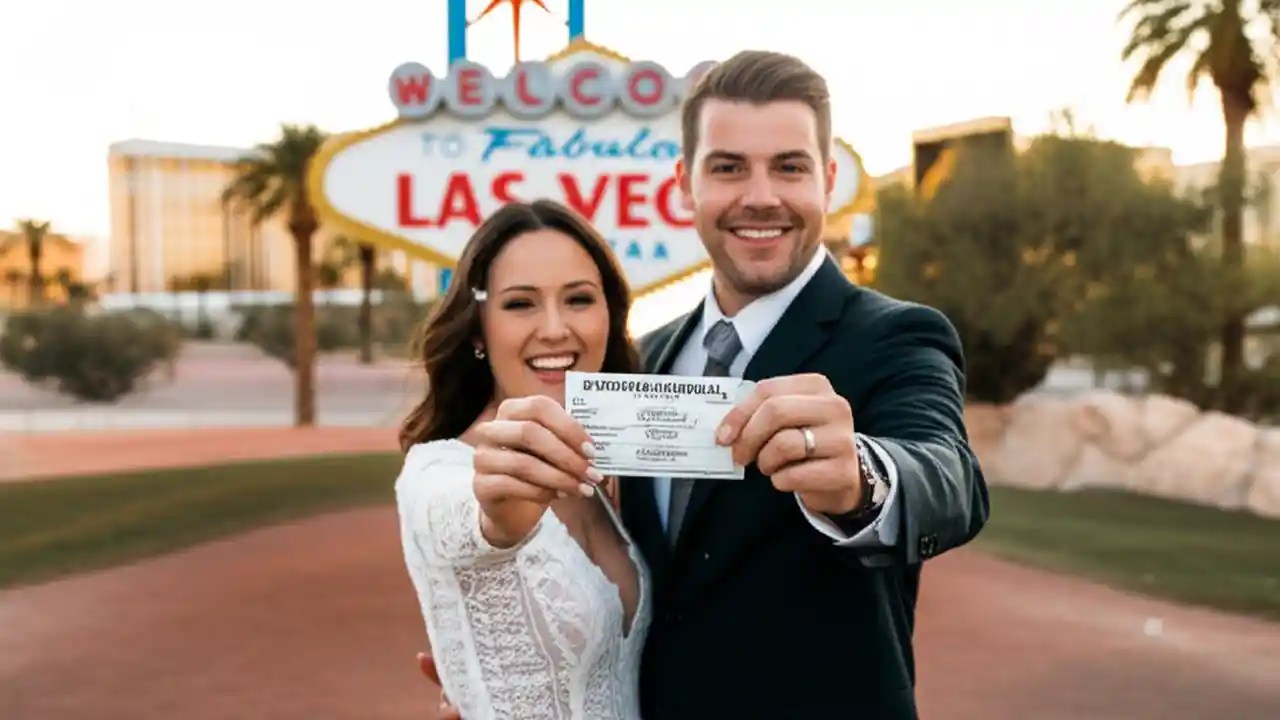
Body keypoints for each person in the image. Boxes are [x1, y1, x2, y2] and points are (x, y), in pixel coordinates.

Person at [425, 49, 989, 719]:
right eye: (727, 168)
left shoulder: (897, 336)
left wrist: (864, 475)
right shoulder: (645, 359)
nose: (760, 196)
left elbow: (949, 478)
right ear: (684, 186)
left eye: (790, 166)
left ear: (828, 181)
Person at [394, 199, 651, 719]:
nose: (555, 328)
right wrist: (497, 506)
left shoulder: (607, 472)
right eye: (520, 304)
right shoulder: (435, 474)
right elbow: (478, 516)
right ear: (477, 329)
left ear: (610, 315)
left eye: (579, 299)